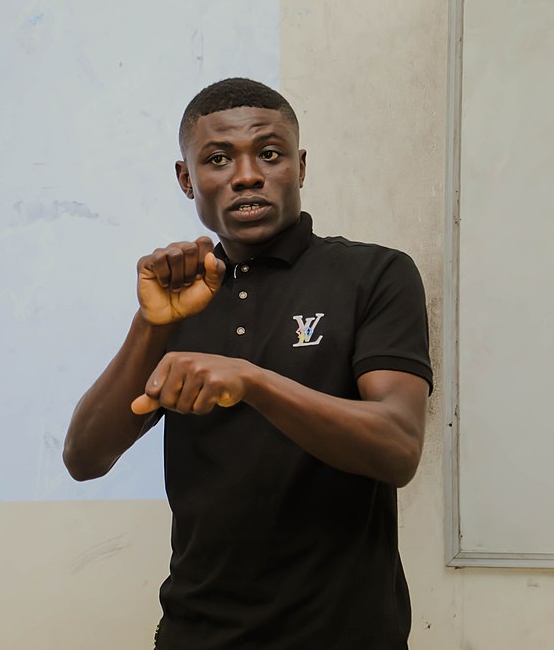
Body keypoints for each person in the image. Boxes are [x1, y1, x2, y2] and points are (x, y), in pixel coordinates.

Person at [63, 78, 433, 649]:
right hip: (198, 633)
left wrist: (254, 381)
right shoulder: (182, 293)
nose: (246, 175)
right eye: (217, 159)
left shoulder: (373, 275)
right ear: (187, 180)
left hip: (346, 634)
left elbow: (398, 446)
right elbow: (85, 458)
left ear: (300, 167)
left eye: (269, 153)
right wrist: (152, 324)